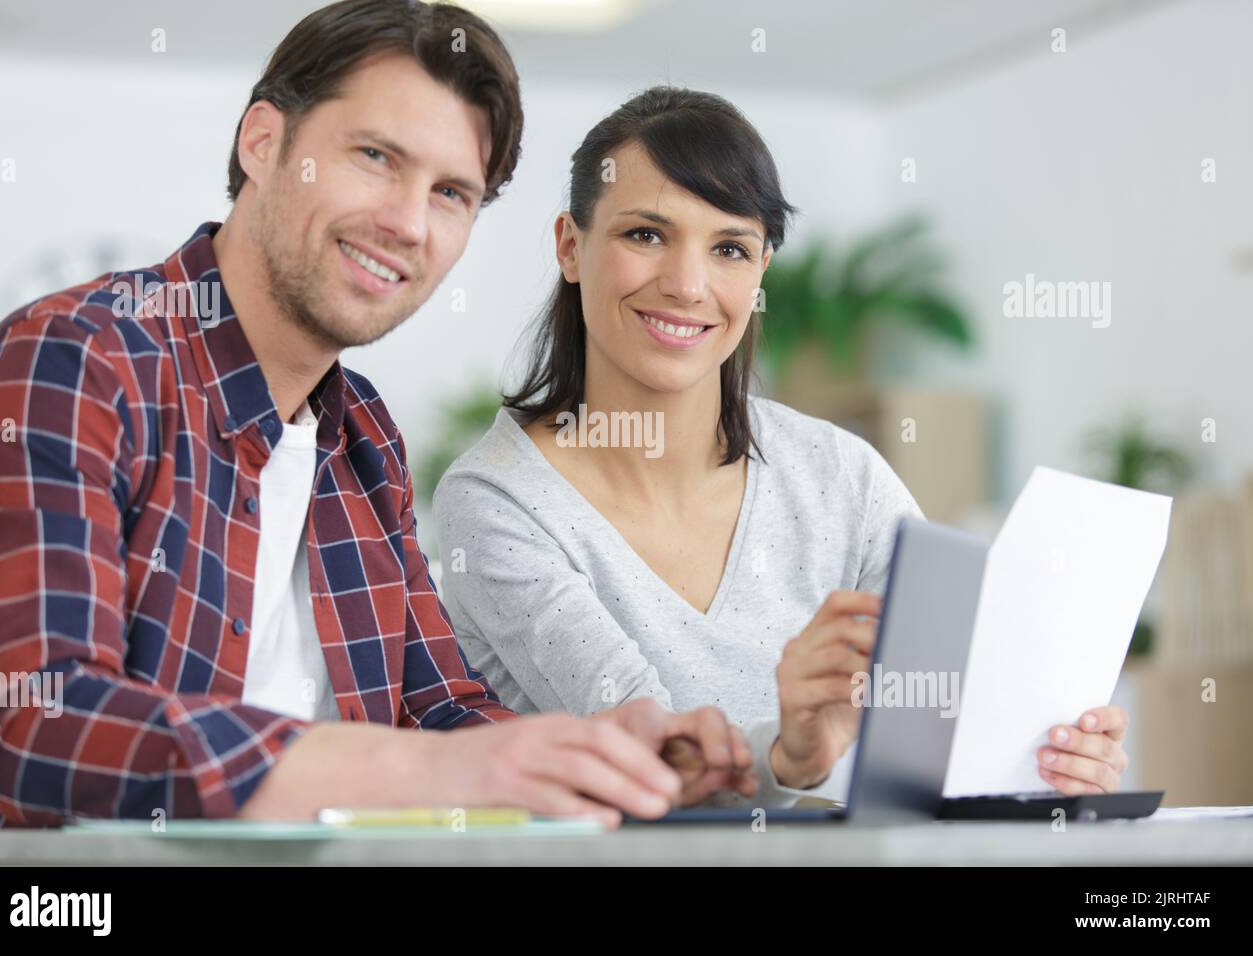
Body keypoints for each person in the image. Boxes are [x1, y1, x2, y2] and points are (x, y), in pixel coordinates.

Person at [0, 0, 759, 831]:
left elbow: (443, 714)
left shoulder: (361, 435)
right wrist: (428, 767)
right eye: (376, 157)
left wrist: (602, 761)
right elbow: (37, 724)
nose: (409, 224)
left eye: (451, 193)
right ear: (264, 143)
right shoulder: (74, 361)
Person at [433, 86, 1132, 808]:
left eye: (730, 248)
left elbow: (954, 704)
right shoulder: (497, 503)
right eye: (646, 234)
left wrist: (1040, 753)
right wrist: (792, 754)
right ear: (571, 247)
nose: (687, 284)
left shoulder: (840, 476)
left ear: (760, 270)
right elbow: (661, 765)